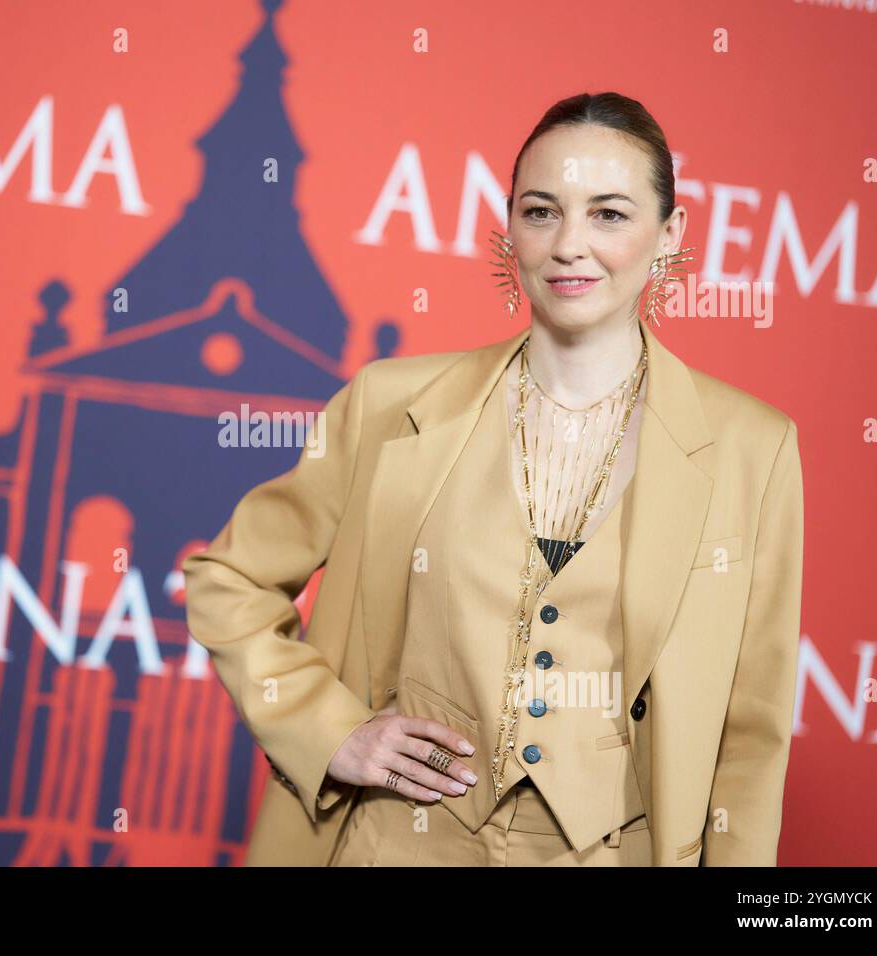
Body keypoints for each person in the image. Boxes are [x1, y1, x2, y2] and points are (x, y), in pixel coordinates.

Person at [183, 91, 804, 866]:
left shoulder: (755, 448)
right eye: (542, 211)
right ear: (510, 224)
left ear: (670, 234)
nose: (569, 245)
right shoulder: (390, 404)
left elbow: (750, 735)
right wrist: (329, 730)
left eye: (609, 214)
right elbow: (226, 580)